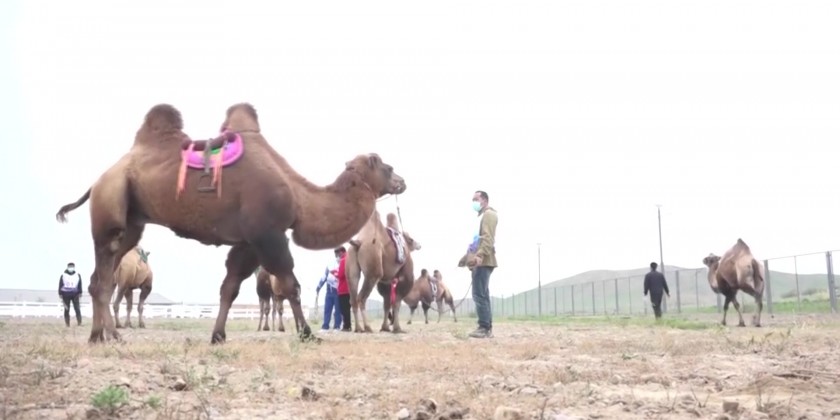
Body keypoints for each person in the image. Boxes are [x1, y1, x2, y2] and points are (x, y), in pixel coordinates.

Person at [465, 190, 498, 338]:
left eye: (476, 199)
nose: (474, 202)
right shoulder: (482, 216)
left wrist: (479, 255)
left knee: (478, 294)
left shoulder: (489, 215)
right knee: (482, 294)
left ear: (484, 200)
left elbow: (488, 238)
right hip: (481, 259)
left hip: (484, 260)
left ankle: (484, 327)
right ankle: (486, 327)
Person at [316, 247, 344, 332]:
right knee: (327, 309)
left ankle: (337, 326)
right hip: (329, 290)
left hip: (338, 290)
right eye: (336, 253)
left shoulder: (344, 263)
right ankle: (325, 326)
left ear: (341, 253)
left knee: (338, 310)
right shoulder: (330, 264)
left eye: (338, 253)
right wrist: (319, 286)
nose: (337, 255)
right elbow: (325, 275)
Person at [331, 246, 352, 332]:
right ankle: (348, 325)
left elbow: (341, 275)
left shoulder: (344, 260)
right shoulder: (350, 259)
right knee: (347, 308)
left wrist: (334, 273)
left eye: (337, 255)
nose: (337, 257)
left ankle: (346, 326)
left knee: (344, 309)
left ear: (341, 252)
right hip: (350, 288)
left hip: (343, 289)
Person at [58, 262, 83, 327]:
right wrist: (60, 293)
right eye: (70, 267)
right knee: (66, 309)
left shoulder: (77, 275)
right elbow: (60, 284)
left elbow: (80, 284)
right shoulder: (63, 275)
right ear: (67, 267)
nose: (71, 268)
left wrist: (80, 292)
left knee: (77, 309)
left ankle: (79, 323)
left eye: (72, 267)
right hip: (65, 294)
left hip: (75, 294)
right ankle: (67, 324)